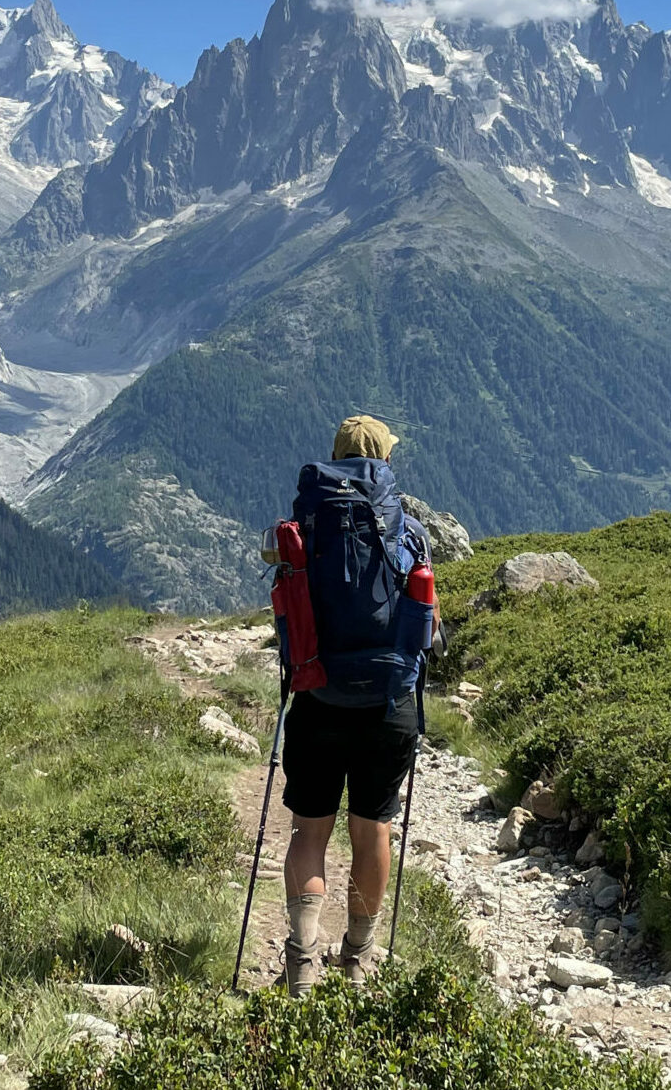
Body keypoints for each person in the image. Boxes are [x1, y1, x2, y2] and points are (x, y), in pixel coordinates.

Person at [278, 414, 432, 995]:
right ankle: (359, 958)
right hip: (389, 705)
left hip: (318, 697)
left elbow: (288, 617)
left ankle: (301, 962)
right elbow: (426, 625)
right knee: (372, 833)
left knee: (309, 834)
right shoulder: (407, 530)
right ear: (383, 461)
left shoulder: (306, 528)